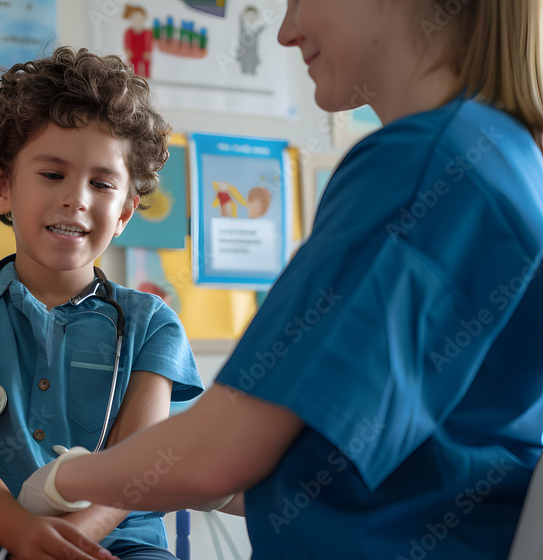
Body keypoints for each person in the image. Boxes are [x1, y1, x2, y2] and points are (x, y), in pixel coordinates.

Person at [32, 1, 543, 558]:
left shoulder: (422, 165)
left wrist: (65, 479)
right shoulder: (506, 156)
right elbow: (386, 458)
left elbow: (217, 455)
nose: (284, 31)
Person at [0, 46, 203, 560]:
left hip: (116, 546)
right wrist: (21, 534)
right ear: (3, 186)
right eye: (53, 174)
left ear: (124, 213)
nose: (76, 197)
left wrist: (68, 543)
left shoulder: (152, 325)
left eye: (101, 183)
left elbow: (134, 470)